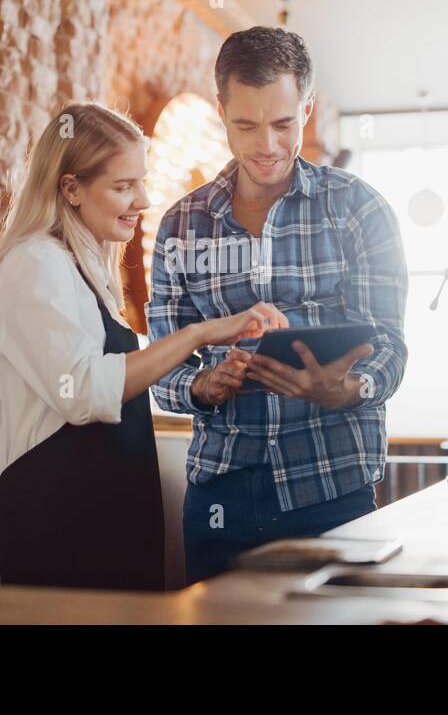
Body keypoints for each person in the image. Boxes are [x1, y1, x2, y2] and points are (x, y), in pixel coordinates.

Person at [0, 102, 286, 590]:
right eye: (123, 186)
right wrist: (199, 333)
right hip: (49, 533)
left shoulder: (87, 269)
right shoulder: (34, 264)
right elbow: (82, 391)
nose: (141, 200)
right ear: (71, 188)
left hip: (102, 525)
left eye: (141, 181)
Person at [147, 28, 409, 583]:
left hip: (332, 487)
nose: (266, 144)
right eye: (245, 124)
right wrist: (200, 386)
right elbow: (162, 364)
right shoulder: (180, 225)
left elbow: (388, 346)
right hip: (220, 495)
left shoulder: (360, 210)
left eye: (284, 123)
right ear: (221, 112)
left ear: (306, 108)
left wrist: (348, 389)